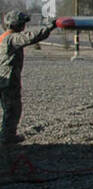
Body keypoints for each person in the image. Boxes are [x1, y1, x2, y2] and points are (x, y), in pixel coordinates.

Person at [1, 10, 55, 145]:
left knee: (9, 108)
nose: (24, 26)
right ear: (16, 24)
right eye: (22, 24)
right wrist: (49, 27)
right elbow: (31, 37)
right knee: (12, 109)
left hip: (3, 79)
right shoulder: (12, 38)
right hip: (8, 81)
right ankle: (8, 137)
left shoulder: (3, 37)